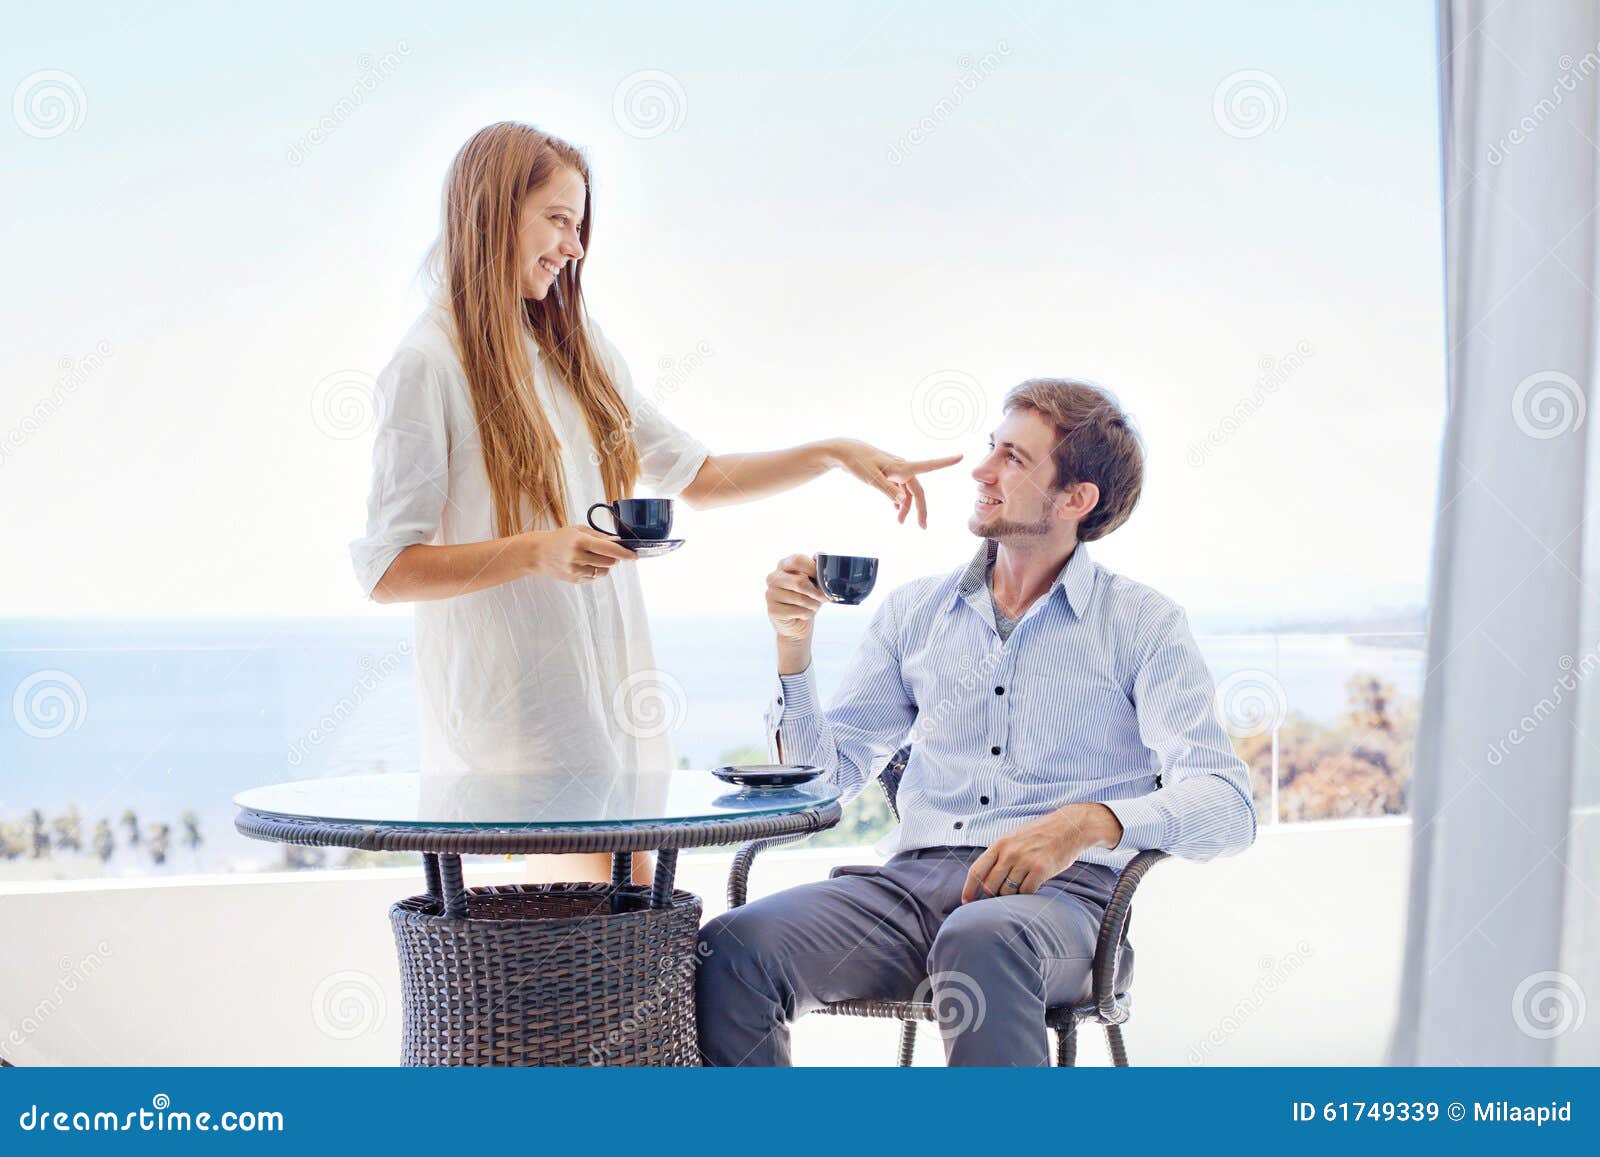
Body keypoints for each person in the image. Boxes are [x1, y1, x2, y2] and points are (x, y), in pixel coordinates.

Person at [349, 121, 960, 884]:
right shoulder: (427, 365)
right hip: (517, 718)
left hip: (610, 697)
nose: (574, 246)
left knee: (630, 933)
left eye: (580, 226)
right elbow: (387, 568)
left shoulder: (577, 350)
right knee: (605, 937)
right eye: (558, 220)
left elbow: (699, 477)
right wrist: (538, 549)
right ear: (493, 210)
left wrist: (834, 453)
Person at [696, 377, 1257, 1065]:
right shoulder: (915, 612)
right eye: (991, 448)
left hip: (1063, 909)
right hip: (907, 892)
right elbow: (826, 778)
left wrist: (1087, 822)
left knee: (982, 938)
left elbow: (1228, 804)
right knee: (733, 947)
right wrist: (792, 643)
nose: (981, 471)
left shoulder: (1142, 624)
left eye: (1013, 459)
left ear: (1076, 498)